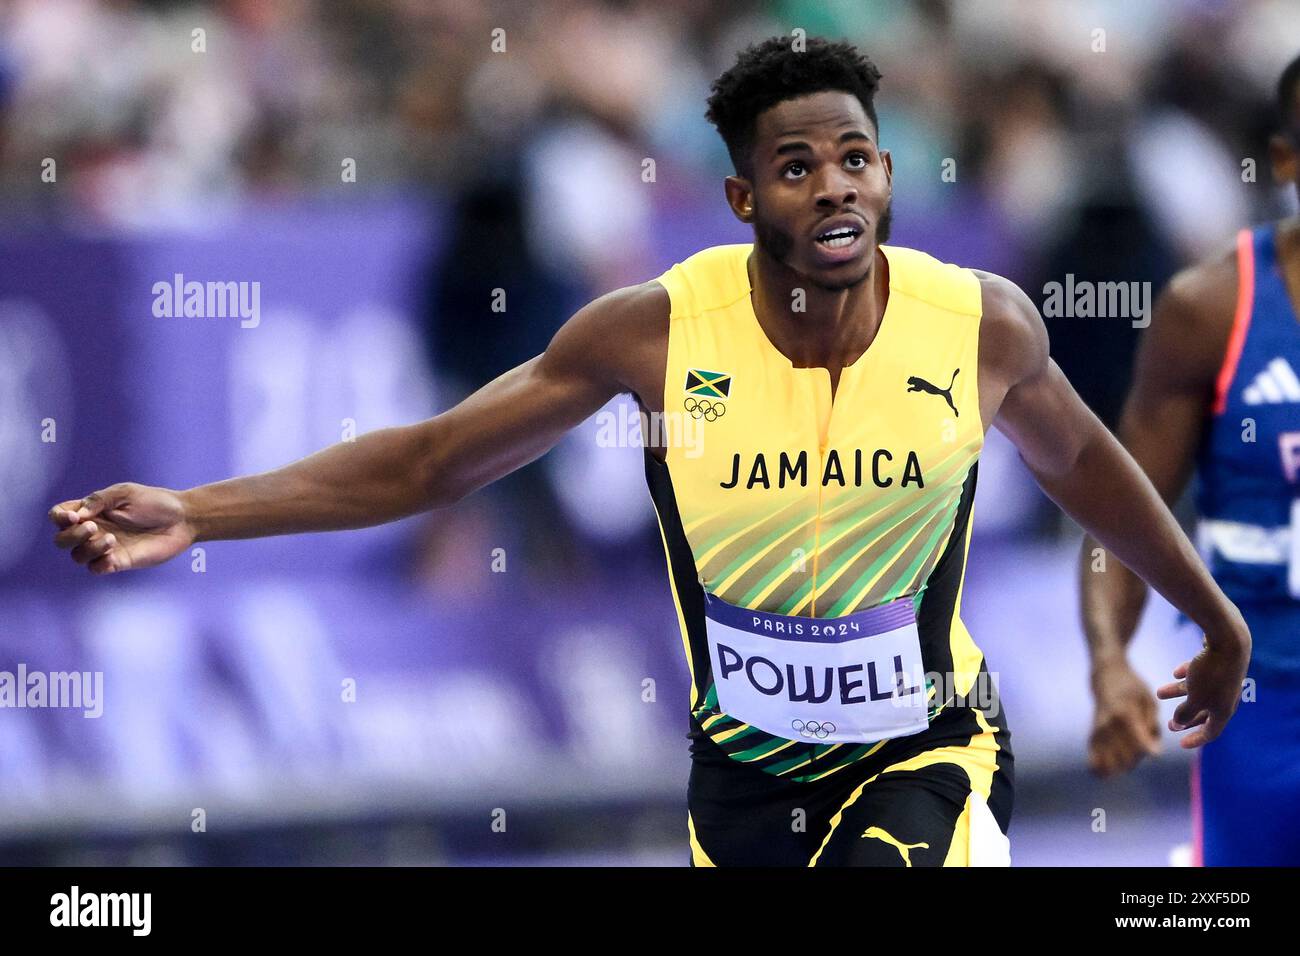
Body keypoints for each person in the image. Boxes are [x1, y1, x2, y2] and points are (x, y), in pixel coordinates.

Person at [50, 36, 1249, 867]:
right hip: (744, 779)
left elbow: (1091, 474)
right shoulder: (654, 333)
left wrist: (1211, 614)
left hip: (925, 754)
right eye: (796, 167)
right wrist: (203, 511)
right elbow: (427, 462)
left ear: (885, 172)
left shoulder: (980, 324)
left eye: (855, 159)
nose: (834, 190)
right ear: (740, 200)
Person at [1080, 52, 1300, 866]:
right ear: (1285, 161)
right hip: (1265, 697)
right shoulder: (1211, 309)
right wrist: (1109, 662)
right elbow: (1119, 515)